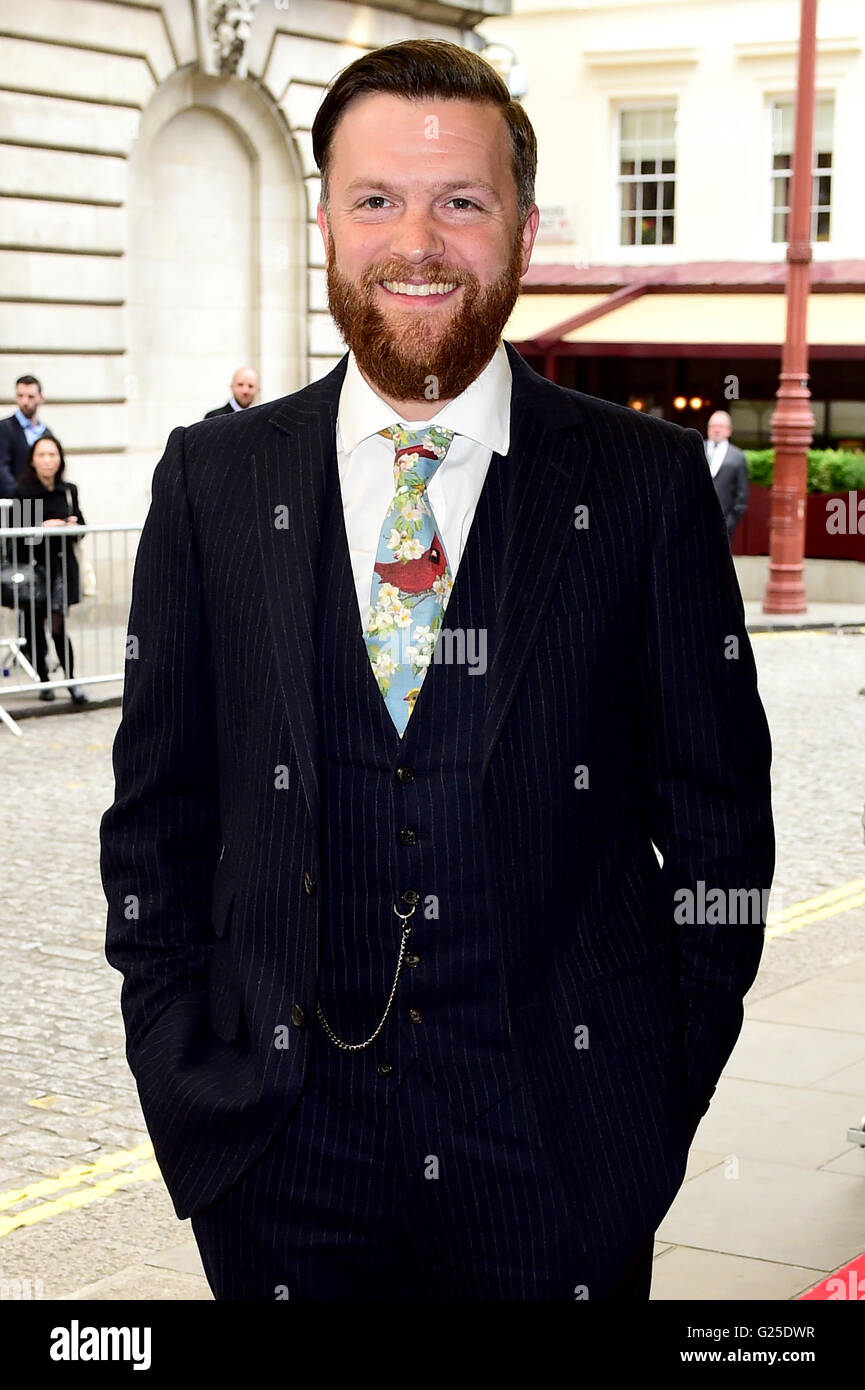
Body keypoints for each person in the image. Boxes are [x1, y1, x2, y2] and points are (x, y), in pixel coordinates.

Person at [100, 38, 774, 1302]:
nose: (418, 241)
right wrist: (186, 1075)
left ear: (520, 228)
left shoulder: (640, 486)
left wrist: (649, 1095)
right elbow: (156, 824)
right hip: (279, 1163)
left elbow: (722, 834)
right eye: (377, 200)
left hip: (559, 1161)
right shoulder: (213, 484)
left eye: (460, 200)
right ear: (324, 226)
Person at [12, 436, 88, 703]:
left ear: (60, 458)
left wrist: (72, 527)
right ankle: (44, 679)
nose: (47, 460)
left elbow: (83, 527)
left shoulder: (68, 490)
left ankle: (71, 680)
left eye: (52, 454)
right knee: (35, 627)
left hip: (60, 567)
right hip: (34, 570)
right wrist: (43, 529)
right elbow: (19, 539)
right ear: (33, 460)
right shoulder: (24, 491)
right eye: (42, 455)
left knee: (58, 626)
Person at [0, 375, 54, 498]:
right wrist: (18, 496)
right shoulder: (4, 428)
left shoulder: (47, 433)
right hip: (17, 503)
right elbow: (2, 468)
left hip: (44, 502)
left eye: (30, 397)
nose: (25, 402)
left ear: (41, 398)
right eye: (20, 396)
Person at [705, 410, 749, 545]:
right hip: (696, 520)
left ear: (729, 431)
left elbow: (742, 492)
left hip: (724, 521)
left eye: (721, 426)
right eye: (713, 426)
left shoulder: (737, 456)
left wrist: (731, 519)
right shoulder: (697, 448)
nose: (716, 430)